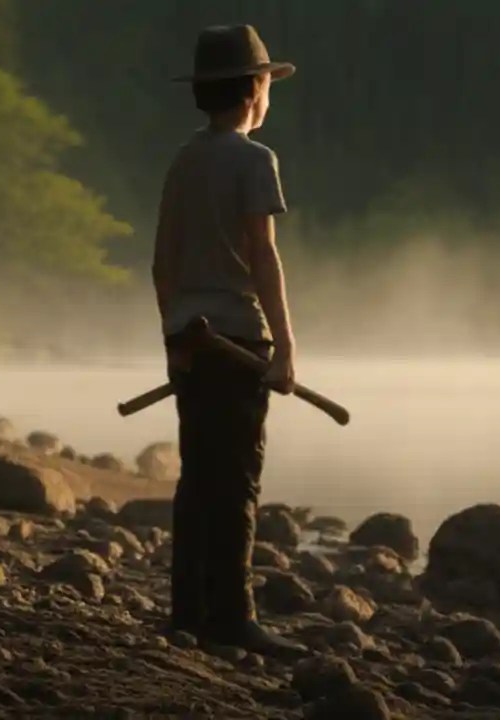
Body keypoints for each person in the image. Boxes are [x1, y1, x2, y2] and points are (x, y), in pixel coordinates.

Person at [152, 24, 297, 652]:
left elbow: (161, 262)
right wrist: (286, 349)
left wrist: (172, 342)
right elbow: (263, 258)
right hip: (238, 337)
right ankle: (234, 618)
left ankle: (188, 611)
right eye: (267, 84)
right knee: (236, 480)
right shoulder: (255, 160)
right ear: (255, 91)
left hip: (190, 336)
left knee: (197, 477)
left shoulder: (184, 159)